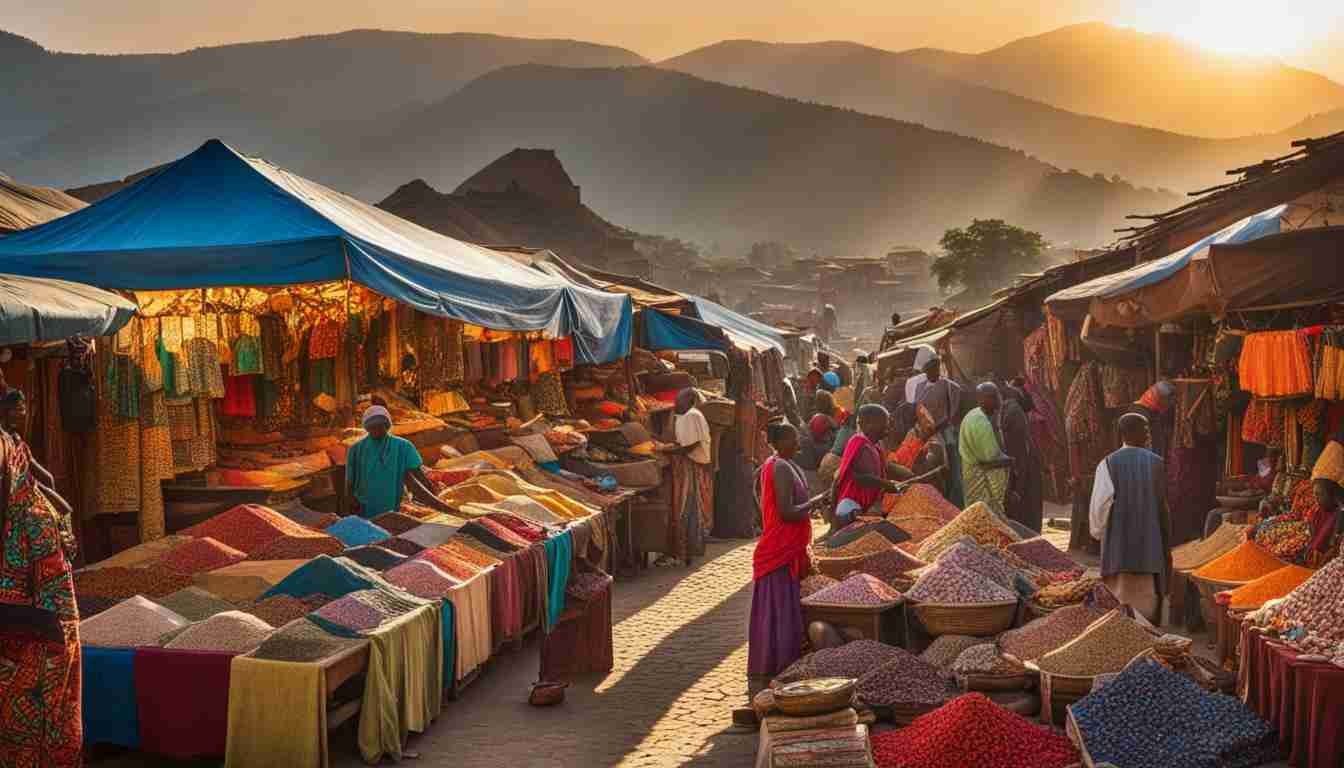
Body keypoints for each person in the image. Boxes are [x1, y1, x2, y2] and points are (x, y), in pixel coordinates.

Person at [0, 392, 82, 767]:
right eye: (11, 401)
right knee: (29, 676)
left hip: (49, 581)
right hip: (25, 584)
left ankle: (50, 753)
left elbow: (42, 479)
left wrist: (59, 510)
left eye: (23, 403)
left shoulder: (15, 443)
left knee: (60, 659)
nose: (21, 405)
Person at [747, 422, 823, 698]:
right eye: (792, 438)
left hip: (789, 547)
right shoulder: (778, 466)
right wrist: (817, 501)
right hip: (778, 549)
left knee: (787, 609)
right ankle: (775, 668)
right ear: (778, 443)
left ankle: (783, 667)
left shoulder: (788, 464)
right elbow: (787, 512)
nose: (798, 441)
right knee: (778, 611)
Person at [1090, 413, 1172, 624]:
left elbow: (1100, 506)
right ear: (1128, 432)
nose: (1148, 434)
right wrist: (1165, 540)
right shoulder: (1156, 463)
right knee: (1147, 612)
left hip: (1119, 551)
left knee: (1120, 611)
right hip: (1150, 550)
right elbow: (1163, 506)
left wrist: (1100, 534)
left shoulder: (1107, 464)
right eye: (1144, 430)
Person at [346, 405, 454, 519]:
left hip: (396, 505)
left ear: (387, 426)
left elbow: (418, 475)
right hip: (366, 506)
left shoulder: (403, 446)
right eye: (372, 426)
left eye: (380, 425)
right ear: (367, 428)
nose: (377, 429)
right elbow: (350, 481)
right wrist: (351, 503)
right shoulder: (356, 449)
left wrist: (435, 499)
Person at [827, 404, 902, 537]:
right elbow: (860, 477)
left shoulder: (876, 446)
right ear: (868, 424)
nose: (888, 427)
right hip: (850, 506)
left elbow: (886, 467)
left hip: (862, 506)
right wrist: (887, 485)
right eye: (884, 422)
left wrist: (911, 477)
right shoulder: (859, 442)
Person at [659, 388, 715, 565]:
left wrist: (667, 450)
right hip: (688, 467)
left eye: (680, 399)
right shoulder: (684, 417)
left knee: (687, 508)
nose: (676, 402)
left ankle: (686, 551)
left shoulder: (692, 415)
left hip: (692, 468)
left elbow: (689, 447)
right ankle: (684, 551)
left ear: (689, 401)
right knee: (685, 509)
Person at [915, 354, 965, 506]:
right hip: (926, 434)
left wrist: (936, 427)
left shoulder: (949, 386)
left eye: (935, 368)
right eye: (929, 369)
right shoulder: (920, 387)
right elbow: (918, 409)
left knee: (952, 466)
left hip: (944, 432)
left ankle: (954, 501)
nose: (932, 372)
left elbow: (953, 411)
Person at [960, 383, 1014, 518]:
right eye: (995, 396)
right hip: (981, 478)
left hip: (971, 473)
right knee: (987, 516)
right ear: (984, 399)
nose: (999, 399)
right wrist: (1010, 461)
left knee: (974, 515)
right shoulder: (981, 424)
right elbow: (991, 460)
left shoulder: (973, 414)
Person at [1000, 383, 1044, 533]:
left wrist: (1017, 488)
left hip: (1024, 474)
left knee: (1023, 516)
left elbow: (1019, 457)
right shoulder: (1013, 411)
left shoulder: (1012, 413)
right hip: (1025, 470)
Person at [1308, 440, 1344, 559]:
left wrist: (1334, 546)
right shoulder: (1318, 514)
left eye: (1319, 494)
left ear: (1333, 494)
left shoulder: (1339, 512)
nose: (1316, 499)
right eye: (1315, 494)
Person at [1124, 380, 1175, 459]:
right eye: (1167, 402)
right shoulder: (1137, 415)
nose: (1168, 406)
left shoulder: (1153, 411)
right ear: (1159, 399)